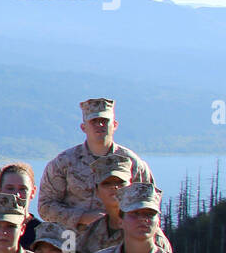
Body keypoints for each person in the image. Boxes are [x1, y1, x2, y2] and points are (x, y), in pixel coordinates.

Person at [38, 98, 155, 243]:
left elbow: (149, 207)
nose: (99, 125)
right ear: (83, 127)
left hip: (120, 245)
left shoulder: (132, 163)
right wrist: (83, 217)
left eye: (104, 120)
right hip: (73, 245)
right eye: (94, 121)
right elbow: (45, 207)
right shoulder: (64, 163)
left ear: (115, 125)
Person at [79, 155, 173, 253]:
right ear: (97, 191)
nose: (114, 187)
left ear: (131, 186)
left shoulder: (150, 236)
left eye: (120, 182)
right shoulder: (90, 233)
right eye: (107, 183)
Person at [0, 162, 42, 250]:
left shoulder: (41, 233)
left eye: (23, 189)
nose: (16, 195)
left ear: (33, 192)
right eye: (10, 188)